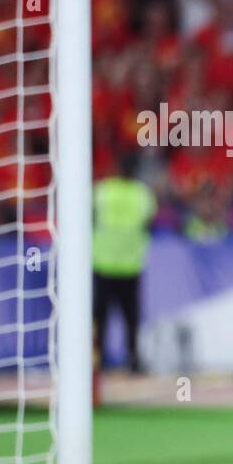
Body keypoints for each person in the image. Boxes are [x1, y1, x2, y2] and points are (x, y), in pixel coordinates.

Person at [92, 154, 157, 373]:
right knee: (132, 318)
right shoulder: (142, 195)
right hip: (130, 265)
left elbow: (91, 219)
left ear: (116, 168)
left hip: (104, 262)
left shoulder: (102, 191)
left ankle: (96, 359)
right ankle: (134, 360)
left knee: (100, 316)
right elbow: (150, 224)